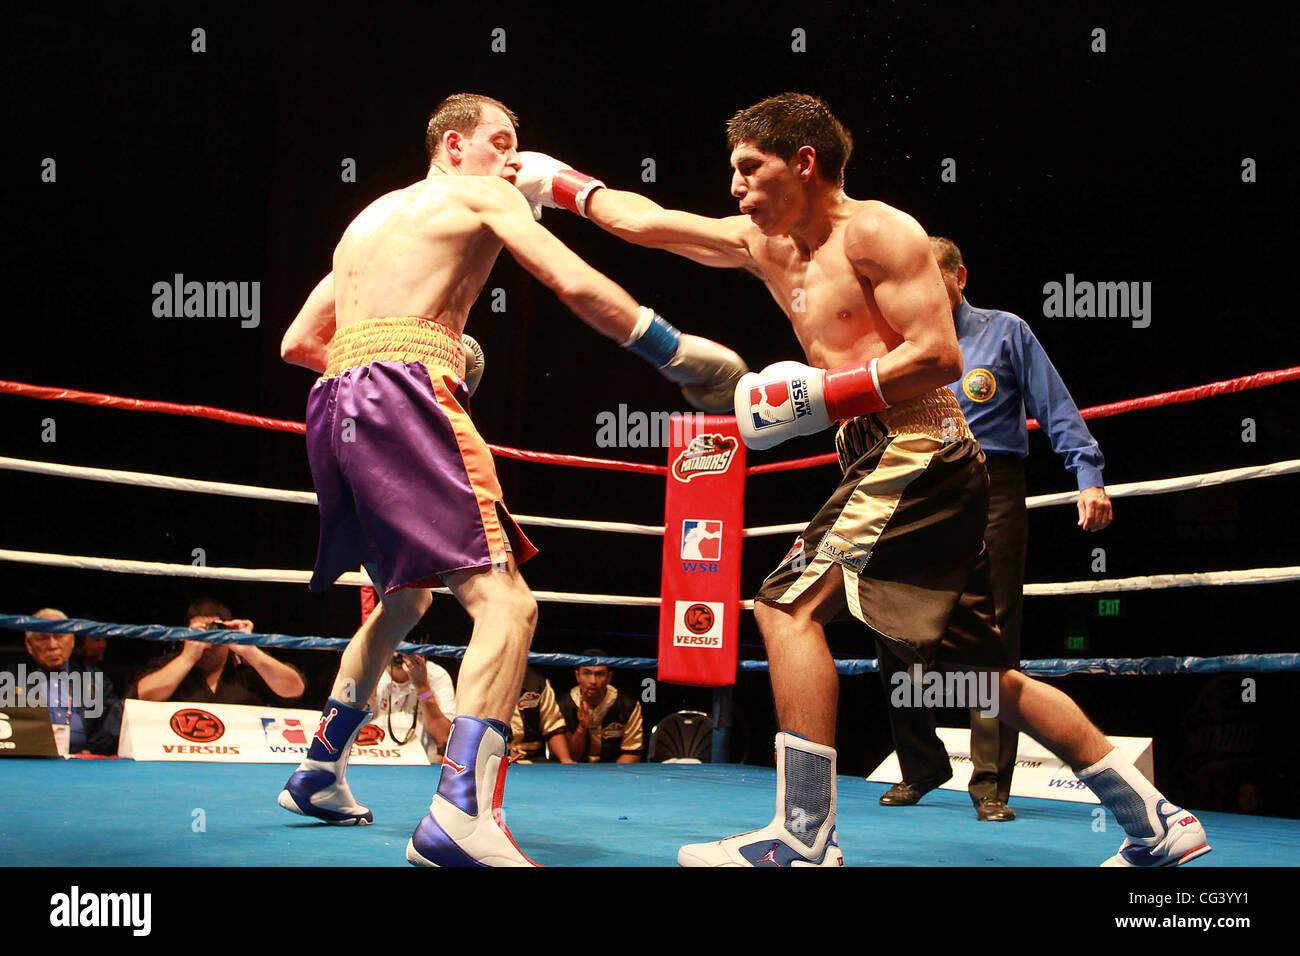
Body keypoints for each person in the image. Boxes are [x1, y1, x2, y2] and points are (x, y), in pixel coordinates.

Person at [517, 92, 1208, 868]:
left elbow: (941, 355)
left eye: (751, 169)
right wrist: (555, 183)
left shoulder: (880, 232)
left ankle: (804, 832)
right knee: (981, 677)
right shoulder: (763, 244)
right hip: (884, 452)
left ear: (804, 162)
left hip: (922, 444)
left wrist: (818, 395)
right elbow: (644, 222)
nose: (737, 189)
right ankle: (1156, 820)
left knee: (784, 603)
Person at [275, 93, 747, 867]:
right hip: (403, 393)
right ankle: (459, 814)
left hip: (334, 405)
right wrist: (673, 349)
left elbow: (300, 341)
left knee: (405, 599)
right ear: (452, 144)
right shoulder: (480, 190)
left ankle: (319, 767)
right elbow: (571, 279)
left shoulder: (366, 222)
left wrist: (402, 352)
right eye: (500, 142)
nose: (512, 158)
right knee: (506, 602)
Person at [875, 237, 1114, 821]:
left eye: (934, 277)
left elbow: (1054, 405)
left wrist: (1088, 475)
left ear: (960, 276)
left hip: (992, 484)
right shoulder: (897, 338)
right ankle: (922, 764)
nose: (923, 289)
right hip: (912, 484)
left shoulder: (1005, 330)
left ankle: (989, 784)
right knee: (891, 619)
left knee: (994, 632)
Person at [132, 598, 306, 705]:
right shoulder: (167, 665)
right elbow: (143, 697)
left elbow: (294, 690)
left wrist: (249, 649)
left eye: (215, 631)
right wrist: (188, 657)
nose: (209, 641)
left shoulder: (249, 665)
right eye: (202, 632)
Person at [1, 608, 122, 755]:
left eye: (59, 636)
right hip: (30, 757)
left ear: (72, 639)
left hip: (84, 760)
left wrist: (93, 751)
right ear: (29, 644)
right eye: (42, 638)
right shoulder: (11, 677)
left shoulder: (93, 676)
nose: (52, 645)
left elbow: (112, 719)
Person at [556, 653, 644, 763]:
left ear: (609, 677)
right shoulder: (562, 705)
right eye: (587, 673)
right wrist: (581, 729)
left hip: (614, 771)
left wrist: (612, 778)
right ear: (577, 676)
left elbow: (632, 752)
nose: (593, 681)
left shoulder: (627, 705)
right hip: (574, 770)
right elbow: (569, 758)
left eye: (599, 674)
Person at [370, 653, 456, 763]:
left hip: (420, 769)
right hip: (371, 764)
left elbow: (444, 739)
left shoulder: (437, 675)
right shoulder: (369, 670)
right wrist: (370, 681)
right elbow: (351, 730)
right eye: (394, 643)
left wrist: (423, 688)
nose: (397, 654)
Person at [508, 667, 573, 763]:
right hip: (496, 759)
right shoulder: (485, 680)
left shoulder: (538, 682)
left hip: (534, 759)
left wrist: (566, 759)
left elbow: (552, 727)